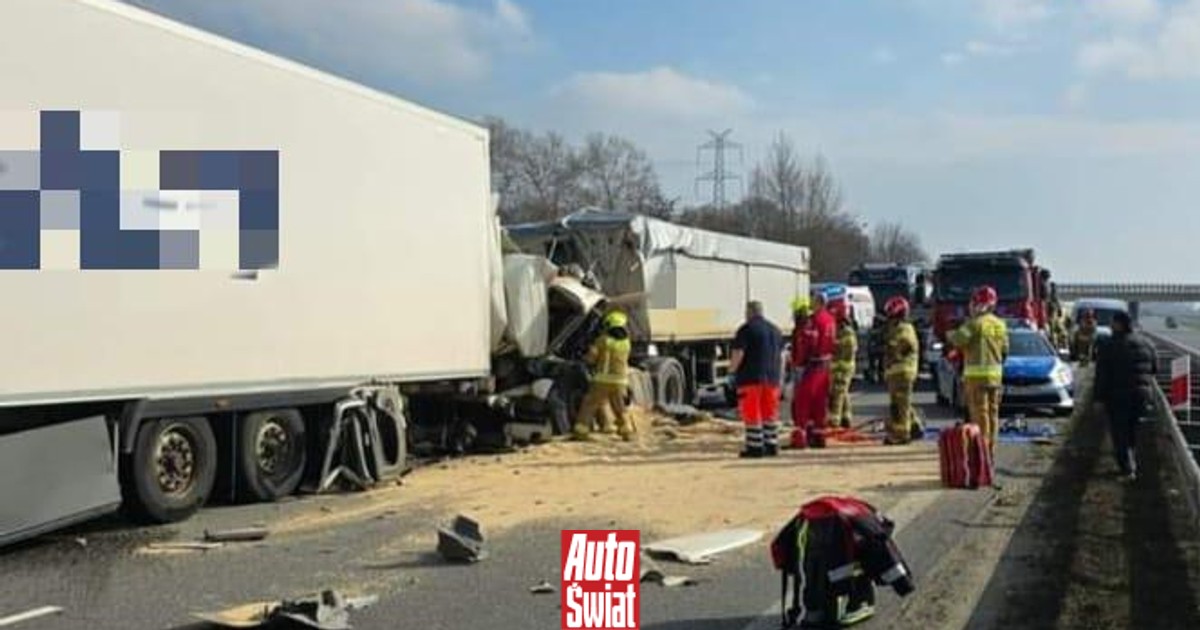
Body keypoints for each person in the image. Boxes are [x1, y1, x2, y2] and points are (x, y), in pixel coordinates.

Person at [1094, 311, 1158, 481]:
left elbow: (1102, 375)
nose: (1110, 325)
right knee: (1133, 431)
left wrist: (1098, 399)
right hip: (1142, 396)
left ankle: (1127, 470)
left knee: (1120, 434)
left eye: (1112, 322)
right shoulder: (1147, 343)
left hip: (1118, 397)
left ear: (1119, 324)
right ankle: (1133, 465)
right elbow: (1154, 369)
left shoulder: (1109, 345)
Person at [949, 286, 1009, 455]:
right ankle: (991, 449)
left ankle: (982, 450)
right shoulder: (1000, 325)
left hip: (976, 378)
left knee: (980, 414)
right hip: (995, 377)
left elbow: (958, 340)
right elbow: (1005, 350)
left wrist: (953, 331)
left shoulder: (974, 324)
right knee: (993, 414)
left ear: (978, 304)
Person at [731, 301, 785, 458]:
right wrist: (779, 378)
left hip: (751, 379)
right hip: (772, 379)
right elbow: (782, 357)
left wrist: (732, 370)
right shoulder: (775, 331)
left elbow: (738, 353)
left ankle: (755, 448)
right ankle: (772, 445)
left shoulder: (746, 330)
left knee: (752, 414)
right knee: (770, 413)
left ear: (750, 312)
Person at [573, 310, 633, 442]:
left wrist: (585, 357)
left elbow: (591, 359)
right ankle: (626, 431)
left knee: (589, 404)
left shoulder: (602, 340)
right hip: (621, 381)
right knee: (619, 407)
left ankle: (581, 431)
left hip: (602, 380)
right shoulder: (626, 343)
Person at [791, 290, 836, 448]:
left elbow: (808, 343)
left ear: (818, 303)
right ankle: (819, 437)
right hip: (826, 366)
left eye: (813, 301)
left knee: (802, 403)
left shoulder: (814, 321)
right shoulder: (831, 319)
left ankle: (800, 438)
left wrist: (798, 362)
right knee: (820, 404)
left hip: (812, 366)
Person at [882, 297, 919, 445]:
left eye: (890, 317)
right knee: (903, 403)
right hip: (897, 372)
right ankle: (915, 426)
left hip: (902, 372)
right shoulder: (899, 329)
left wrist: (887, 341)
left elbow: (897, 348)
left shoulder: (904, 330)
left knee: (899, 406)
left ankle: (902, 434)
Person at [829, 298, 858, 429]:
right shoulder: (840, 328)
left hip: (843, 367)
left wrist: (831, 343)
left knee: (838, 393)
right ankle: (846, 418)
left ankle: (834, 420)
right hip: (841, 366)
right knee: (843, 392)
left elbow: (848, 347)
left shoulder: (846, 331)